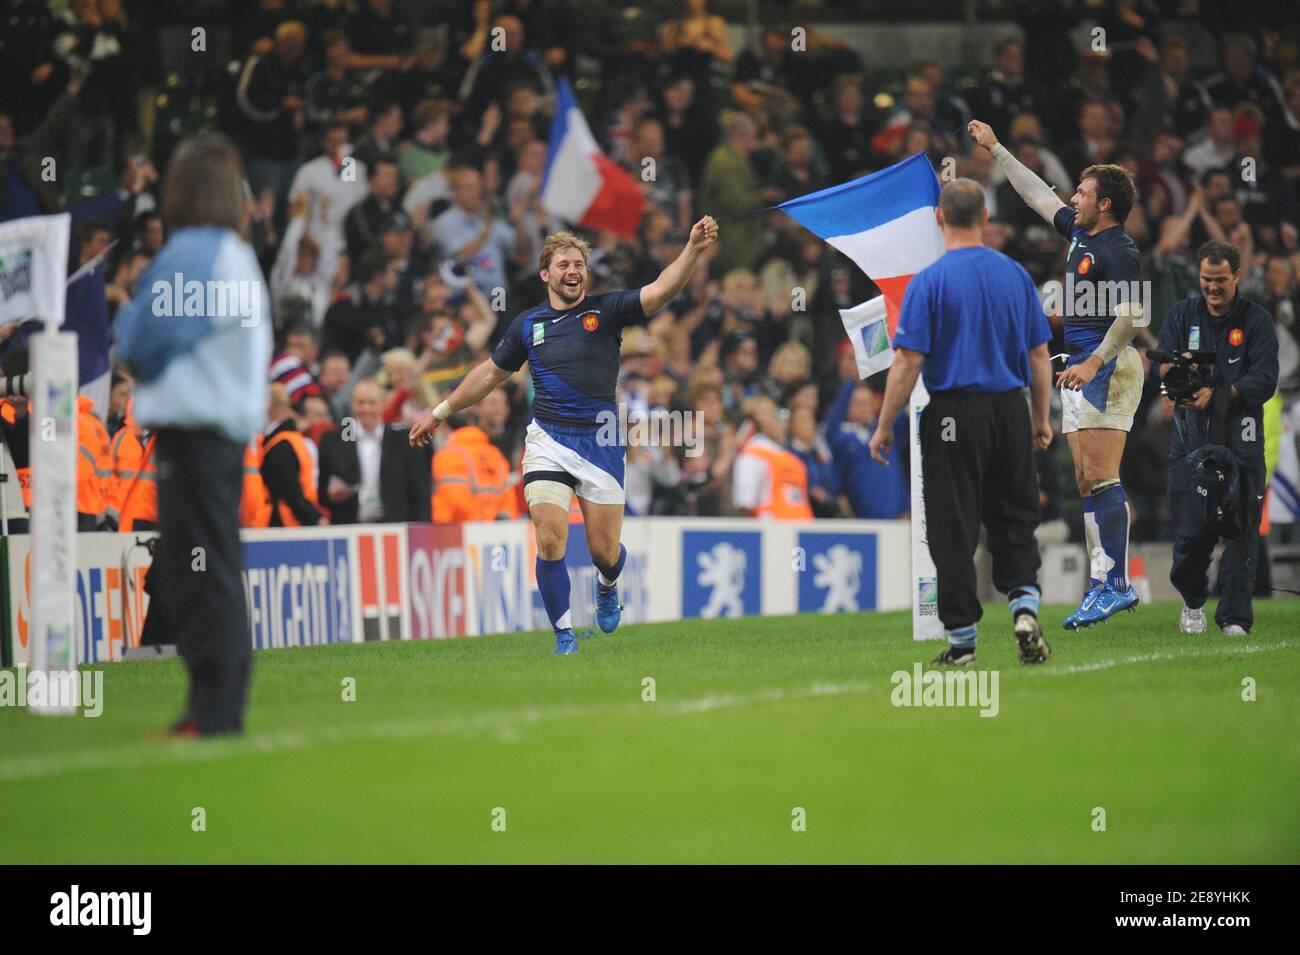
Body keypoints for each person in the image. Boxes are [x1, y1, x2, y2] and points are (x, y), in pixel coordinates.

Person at [411, 219, 719, 655]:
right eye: (563, 264)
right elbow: (487, 375)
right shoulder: (527, 325)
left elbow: (660, 291)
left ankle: (608, 581)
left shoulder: (607, 311)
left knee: (603, 551)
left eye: (579, 264)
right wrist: (440, 411)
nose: (573, 270)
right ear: (546, 274)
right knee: (550, 535)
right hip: (548, 440)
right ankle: (564, 635)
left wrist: (691, 249)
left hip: (601, 444)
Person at [112, 131, 272, 736]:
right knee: (208, 566)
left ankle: (214, 708)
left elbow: (140, 341)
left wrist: (130, 319)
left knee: (198, 570)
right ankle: (215, 705)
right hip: (220, 432)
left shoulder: (195, 249)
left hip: (195, 434)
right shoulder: (232, 251)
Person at [970, 117, 1146, 630]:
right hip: (1080, 367)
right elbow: (1035, 196)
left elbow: (1135, 314)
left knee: (1101, 475)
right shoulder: (1079, 231)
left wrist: (1093, 360)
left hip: (1107, 367)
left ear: (1105, 203)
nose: (1073, 197)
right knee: (1086, 482)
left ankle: (1113, 585)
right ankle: (1102, 584)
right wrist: (997, 148)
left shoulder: (1120, 250)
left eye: (1084, 192)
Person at [869, 179, 1054, 667]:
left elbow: (907, 362)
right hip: (1009, 407)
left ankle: (962, 642)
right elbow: (1039, 354)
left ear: (939, 218)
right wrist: (1038, 416)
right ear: (986, 216)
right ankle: (1024, 605)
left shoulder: (929, 282)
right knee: (1015, 516)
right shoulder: (1015, 276)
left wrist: (885, 425)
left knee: (954, 527)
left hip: (953, 414)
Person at [1158, 241, 1279, 636]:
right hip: (1190, 438)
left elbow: (1265, 380)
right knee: (1192, 531)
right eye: (1207, 279)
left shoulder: (1257, 321)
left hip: (1241, 438)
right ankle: (1194, 600)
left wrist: (1220, 394)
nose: (1212, 287)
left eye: (1221, 280)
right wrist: (1175, 380)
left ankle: (1235, 618)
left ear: (1237, 276)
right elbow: (1163, 367)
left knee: (1241, 529)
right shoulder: (1181, 314)